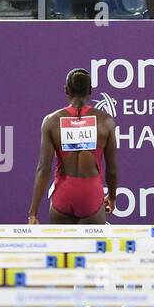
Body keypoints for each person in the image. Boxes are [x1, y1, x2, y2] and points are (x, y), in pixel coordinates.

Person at [29, 69, 119, 224]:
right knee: (93, 248)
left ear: (66, 90)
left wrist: (33, 213)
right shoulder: (106, 121)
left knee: (63, 249)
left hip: (63, 195)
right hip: (91, 195)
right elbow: (112, 169)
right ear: (90, 91)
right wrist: (111, 197)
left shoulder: (51, 121)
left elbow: (43, 169)